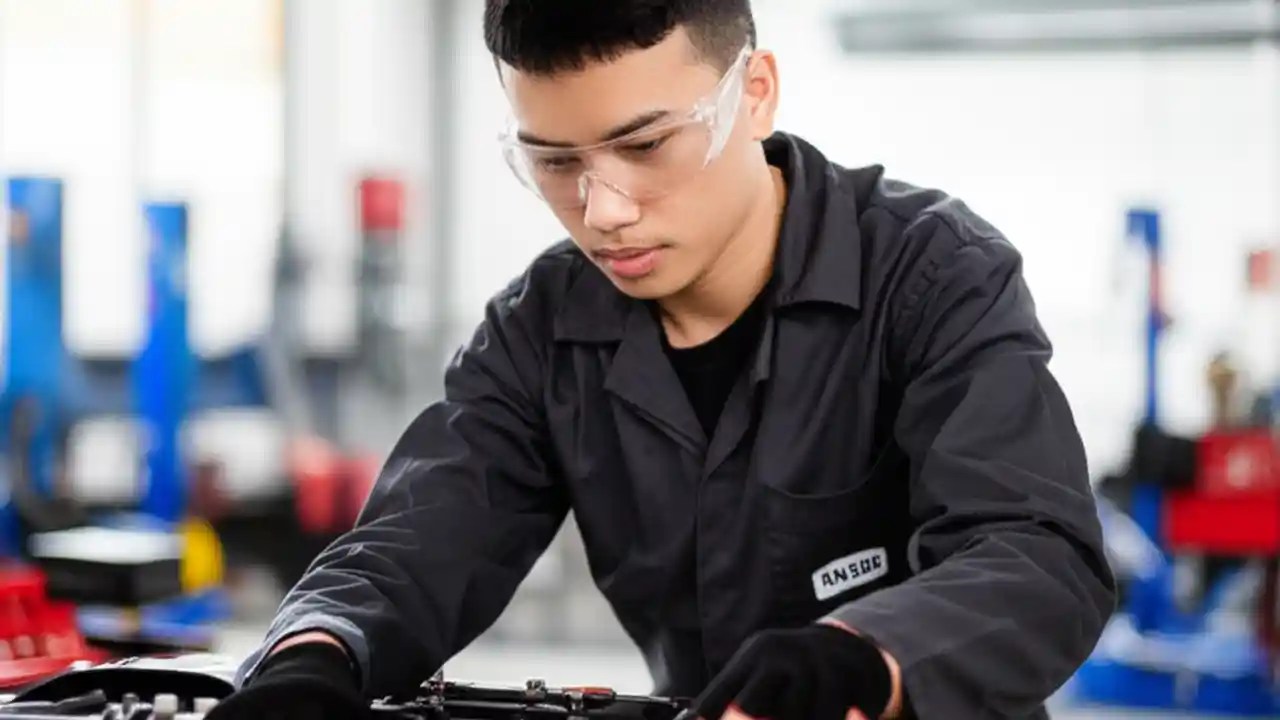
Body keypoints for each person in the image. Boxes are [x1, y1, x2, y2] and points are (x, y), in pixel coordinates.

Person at [209, 1, 1116, 718]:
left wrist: (862, 654)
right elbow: (421, 539)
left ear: (753, 91)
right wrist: (315, 653)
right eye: (555, 161)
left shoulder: (931, 275)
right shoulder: (538, 331)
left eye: (645, 146)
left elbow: (1038, 555)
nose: (602, 208)